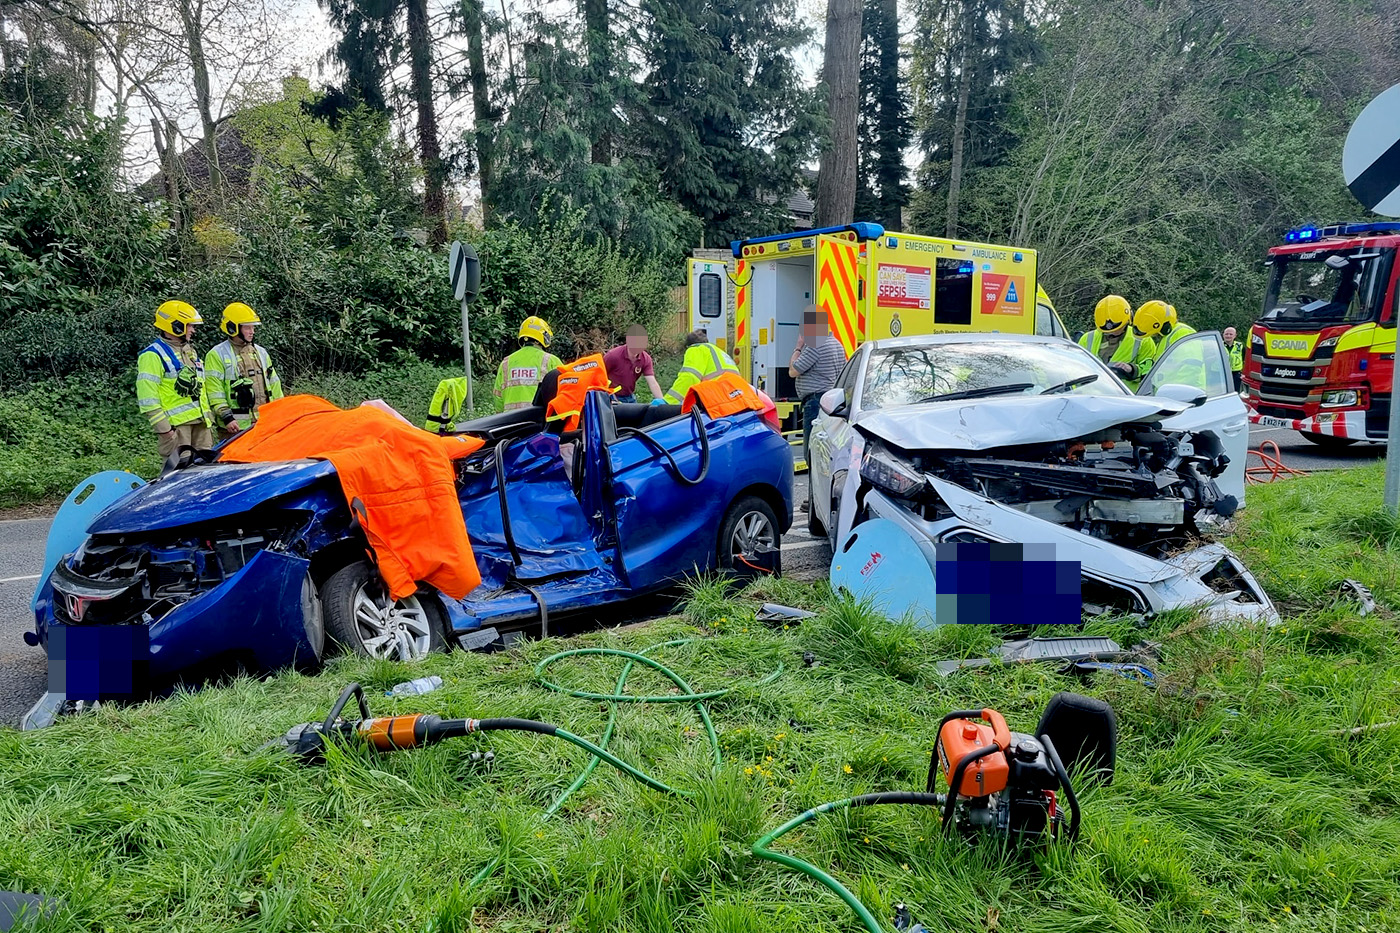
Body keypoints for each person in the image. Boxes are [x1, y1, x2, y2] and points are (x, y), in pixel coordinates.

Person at [137, 300, 215, 459]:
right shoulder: (152, 355)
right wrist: (165, 430)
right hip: (178, 429)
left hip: (201, 424)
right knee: (179, 475)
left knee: (205, 472)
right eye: (190, 325)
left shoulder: (189, 351)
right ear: (176, 326)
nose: (193, 330)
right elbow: (147, 398)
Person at [204, 302, 283, 437]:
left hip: (264, 423)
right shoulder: (217, 354)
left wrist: (281, 412)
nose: (252, 331)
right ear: (232, 328)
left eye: (253, 327)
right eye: (247, 327)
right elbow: (214, 391)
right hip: (235, 427)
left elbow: (274, 385)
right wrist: (227, 417)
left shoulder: (261, 352)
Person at [788, 306, 846, 475]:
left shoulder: (815, 345)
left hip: (815, 402)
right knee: (824, 452)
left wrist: (798, 347)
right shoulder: (836, 344)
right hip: (830, 402)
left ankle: (813, 496)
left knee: (811, 453)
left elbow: (793, 371)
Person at [1079, 295, 1155, 391]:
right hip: (1092, 398)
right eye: (1107, 331)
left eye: (1118, 328)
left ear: (1129, 318)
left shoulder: (1143, 340)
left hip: (1125, 399)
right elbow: (1075, 369)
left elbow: (1149, 371)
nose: (1113, 332)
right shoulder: (1087, 339)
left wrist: (1131, 369)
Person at [493, 316, 563, 413]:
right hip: (538, 422)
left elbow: (498, 400)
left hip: (510, 423)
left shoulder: (506, 362)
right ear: (543, 337)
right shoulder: (551, 361)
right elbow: (563, 396)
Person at [658, 329, 741, 406]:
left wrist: (668, 401)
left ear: (688, 346)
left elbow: (689, 377)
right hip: (737, 396)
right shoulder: (718, 351)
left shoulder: (696, 349)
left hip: (720, 399)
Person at [604, 325, 664, 404]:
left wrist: (662, 403)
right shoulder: (613, 355)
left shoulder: (646, 359)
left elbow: (652, 383)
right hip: (612, 397)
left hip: (629, 397)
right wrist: (606, 397)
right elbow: (599, 376)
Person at [1223, 326, 1244, 393]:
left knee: (1235, 393)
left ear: (1235, 336)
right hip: (1222, 373)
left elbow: (1245, 360)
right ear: (1223, 335)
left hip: (1236, 374)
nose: (1228, 336)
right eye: (1226, 334)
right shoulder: (1218, 345)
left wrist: (1244, 374)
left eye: (1231, 334)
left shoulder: (1240, 346)